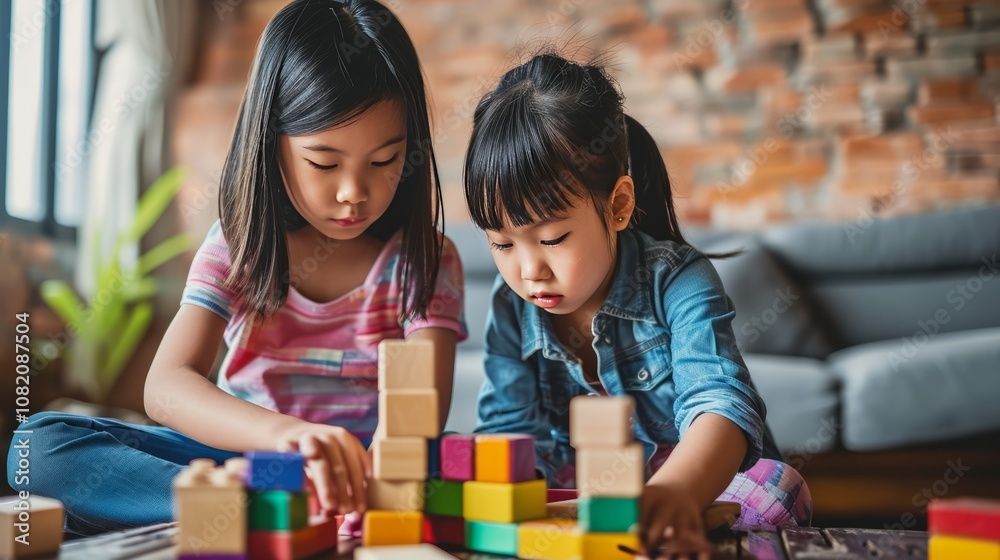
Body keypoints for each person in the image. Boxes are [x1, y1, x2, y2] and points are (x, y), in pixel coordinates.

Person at [8, 0, 465, 535]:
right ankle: (251, 512)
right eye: (324, 162)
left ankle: (262, 516)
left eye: (385, 161)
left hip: (375, 473)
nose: (353, 193)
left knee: (465, 462)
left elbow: (421, 413)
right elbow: (166, 387)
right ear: (272, 145)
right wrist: (288, 437)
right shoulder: (240, 245)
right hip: (253, 462)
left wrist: (379, 472)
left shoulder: (425, 260)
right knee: (37, 445)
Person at [464, 52, 811, 557]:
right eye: (501, 244)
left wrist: (671, 494)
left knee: (778, 487)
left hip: (690, 483)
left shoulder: (677, 278)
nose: (529, 270)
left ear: (619, 205)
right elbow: (510, 433)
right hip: (580, 491)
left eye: (554, 238)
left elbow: (720, 402)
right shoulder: (510, 306)